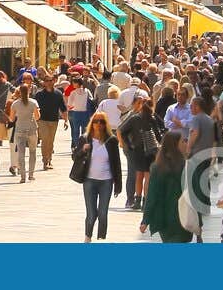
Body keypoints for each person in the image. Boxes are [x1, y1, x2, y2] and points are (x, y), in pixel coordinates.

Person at [71, 111, 122, 241]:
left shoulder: (111, 140)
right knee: (92, 213)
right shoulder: (85, 138)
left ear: (106, 124)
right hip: (89, 181)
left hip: (106, 181)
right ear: (91, 123)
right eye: (96, 121)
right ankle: (88, 236)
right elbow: (74, 157)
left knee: (103, 213)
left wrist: (118, 185)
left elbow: (117, 163)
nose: (98, 124)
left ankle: (101, 238)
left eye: (102, 122)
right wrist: (83, 150)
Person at [141, 131, 191, 243]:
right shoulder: (187, 167)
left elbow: (152, 195)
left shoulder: (158, 167)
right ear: (175, 145)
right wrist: (199, 223)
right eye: (183, 141)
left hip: (164, 220)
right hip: (182, 219)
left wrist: (145, 220)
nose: (186, 143)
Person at [119, 95, 163, 208]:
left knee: (139, 174)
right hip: (151, 150)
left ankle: (137, 200)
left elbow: (122, 130)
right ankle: (145, 200)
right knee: (147, 175)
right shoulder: (153, 119)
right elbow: (159, 135)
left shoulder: (135, 118)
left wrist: (129, 144)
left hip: (137, 149)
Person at [9, 80, 41, 181]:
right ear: (29, 91)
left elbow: (11, 119)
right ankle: (31, 174)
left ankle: (23, 176)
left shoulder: (15, 104)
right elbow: (37, 117)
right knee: (32, 152)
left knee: (21, 153)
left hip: (19, 129)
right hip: (32, 129)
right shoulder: (33, 102)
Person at [35, 76, 66, 170]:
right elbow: (35, 108)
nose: (49, 82)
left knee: (51, 141)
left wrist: (66, 120)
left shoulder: (58, 93)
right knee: (45, 140)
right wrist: (34, 119)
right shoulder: (39, 94)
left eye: (50, 81)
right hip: (42, 120)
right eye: (47, 81)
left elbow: (63, 108)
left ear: (54, 81)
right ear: (44, 82)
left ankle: (49, 160)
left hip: (54, 120)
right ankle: (45, 161)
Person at [66, 76, 93, 149]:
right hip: (85, 113)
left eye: (74, 83)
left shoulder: (73, 93)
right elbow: (91, 99)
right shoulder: (87, 91)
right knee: (85, 131)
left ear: (77, 83)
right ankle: (84, 145)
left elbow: (69, 104)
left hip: (76, 113)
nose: (73, 84)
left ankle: (77, 146)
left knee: (76, 131)